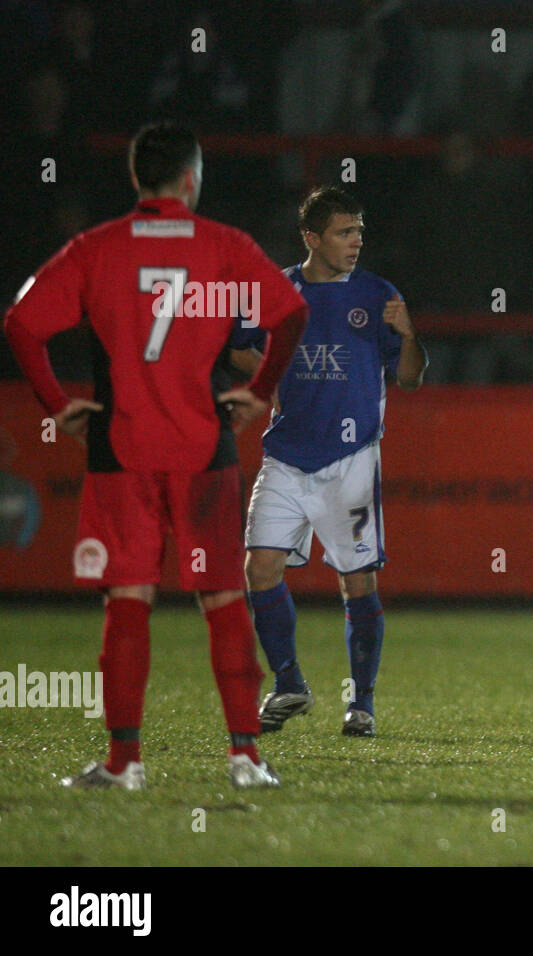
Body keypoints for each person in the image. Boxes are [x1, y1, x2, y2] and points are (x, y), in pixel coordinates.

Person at [3, 122, 307, 789]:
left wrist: (57, 403)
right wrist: (258, 391)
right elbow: (290, 313)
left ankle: (124, 762)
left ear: (136, 178)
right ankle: (245, 758)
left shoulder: (96, 247)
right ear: (192, 180)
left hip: (123, 447)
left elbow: (21, 323)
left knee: (129, 602)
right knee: (224, 597)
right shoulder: (224, 246)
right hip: (204, 446)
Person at [231, 186, 426, 739]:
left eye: (360, 231)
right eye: (345, 232)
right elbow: (237, 346)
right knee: (258, 568)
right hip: (287, 453)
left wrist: (410, 334)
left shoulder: (378, 294)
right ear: (312, 238)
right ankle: (289, 682)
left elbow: (409, 377)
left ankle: (361, 704)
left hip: (351, 459)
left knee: (356, 581)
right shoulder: (277, 290)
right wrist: (271, 374)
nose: (357, 241)